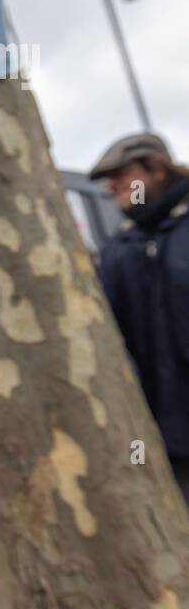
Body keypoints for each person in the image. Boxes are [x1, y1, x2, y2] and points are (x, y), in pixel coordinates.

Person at [89, 132, 189, 501]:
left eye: (121, 173)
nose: (112, 185)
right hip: (167, 441)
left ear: (157, 167)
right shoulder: (117, 253)